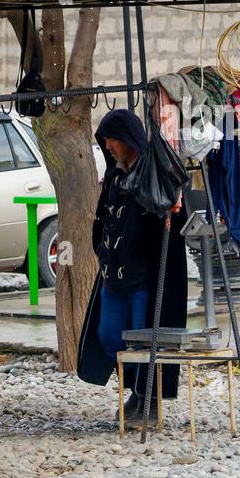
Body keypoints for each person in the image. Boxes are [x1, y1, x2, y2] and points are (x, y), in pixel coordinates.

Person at [76, 108, 187, 421]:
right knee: (110, 334)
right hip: (114, 276)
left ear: (127, 139)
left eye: (112, 139)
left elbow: (168, 222)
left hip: (145, 278)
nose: (108, 146)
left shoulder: (155, 175)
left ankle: (147, 399)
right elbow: (104, 218)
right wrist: (102, 249)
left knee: (144, 339)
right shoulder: (115, 176)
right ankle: (136, 391)